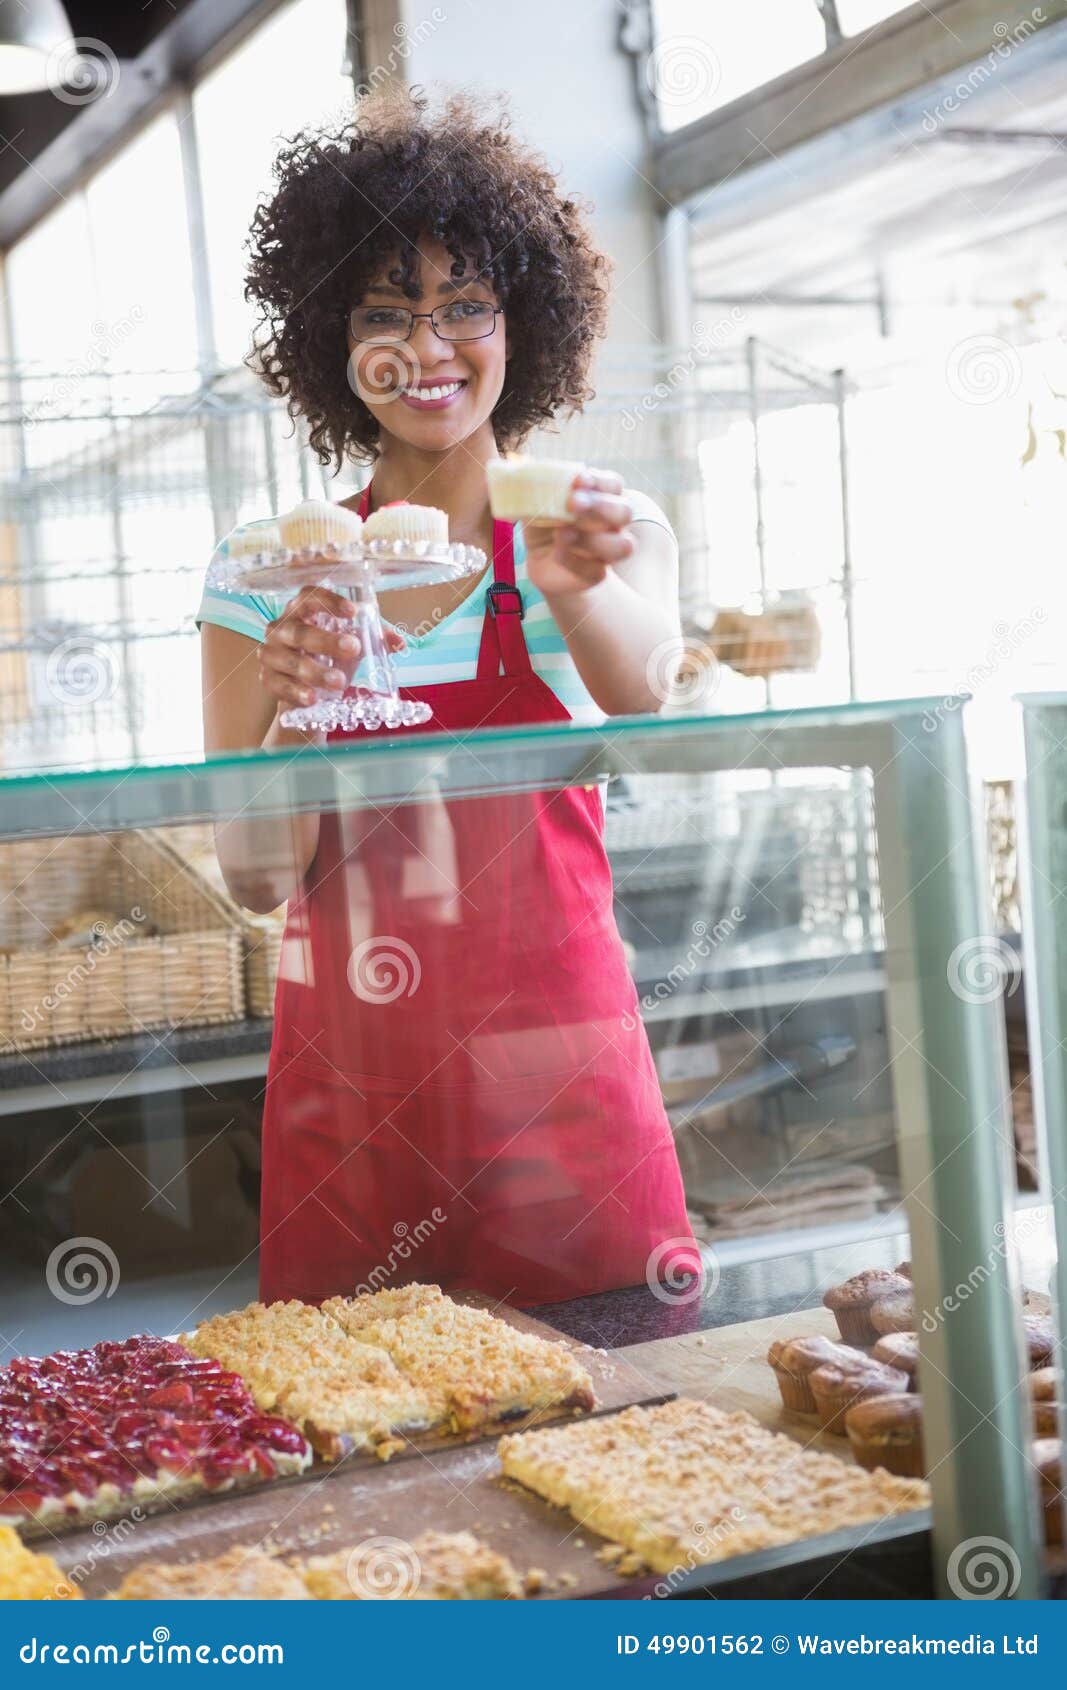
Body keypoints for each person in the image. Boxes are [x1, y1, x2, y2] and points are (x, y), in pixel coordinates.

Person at [198, 87, 700, 1307]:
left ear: (522, 319)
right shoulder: (266, 575)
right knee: (360, 1466)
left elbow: (659, 715)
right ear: (334, 342)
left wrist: (577, 594)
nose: (429, 350)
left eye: (465, 306)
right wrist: (289, 719)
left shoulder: (598, 528)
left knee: (621, 1426)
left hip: (560, 1083)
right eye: (387, 315)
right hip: (350, 1106)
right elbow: (258, 879)